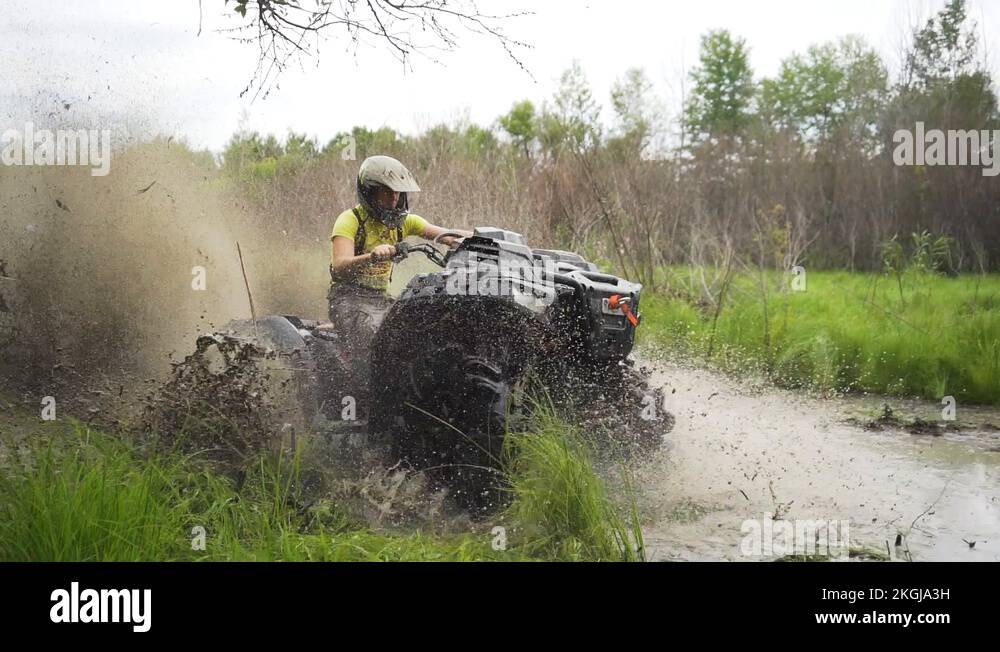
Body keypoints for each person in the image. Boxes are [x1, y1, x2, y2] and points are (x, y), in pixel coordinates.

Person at [327, 155, 468, 391]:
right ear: (370, 192)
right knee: (376, 337)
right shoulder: (350, 220)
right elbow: (339, 265)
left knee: (418, 329)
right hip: (347, 299)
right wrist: (372, 256)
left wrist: (484, 237)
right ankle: (368, 397)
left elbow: (448, 235)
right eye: (387, 192)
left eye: (398, 193)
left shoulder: (405, 222)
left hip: (380, 300)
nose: (394, 198)